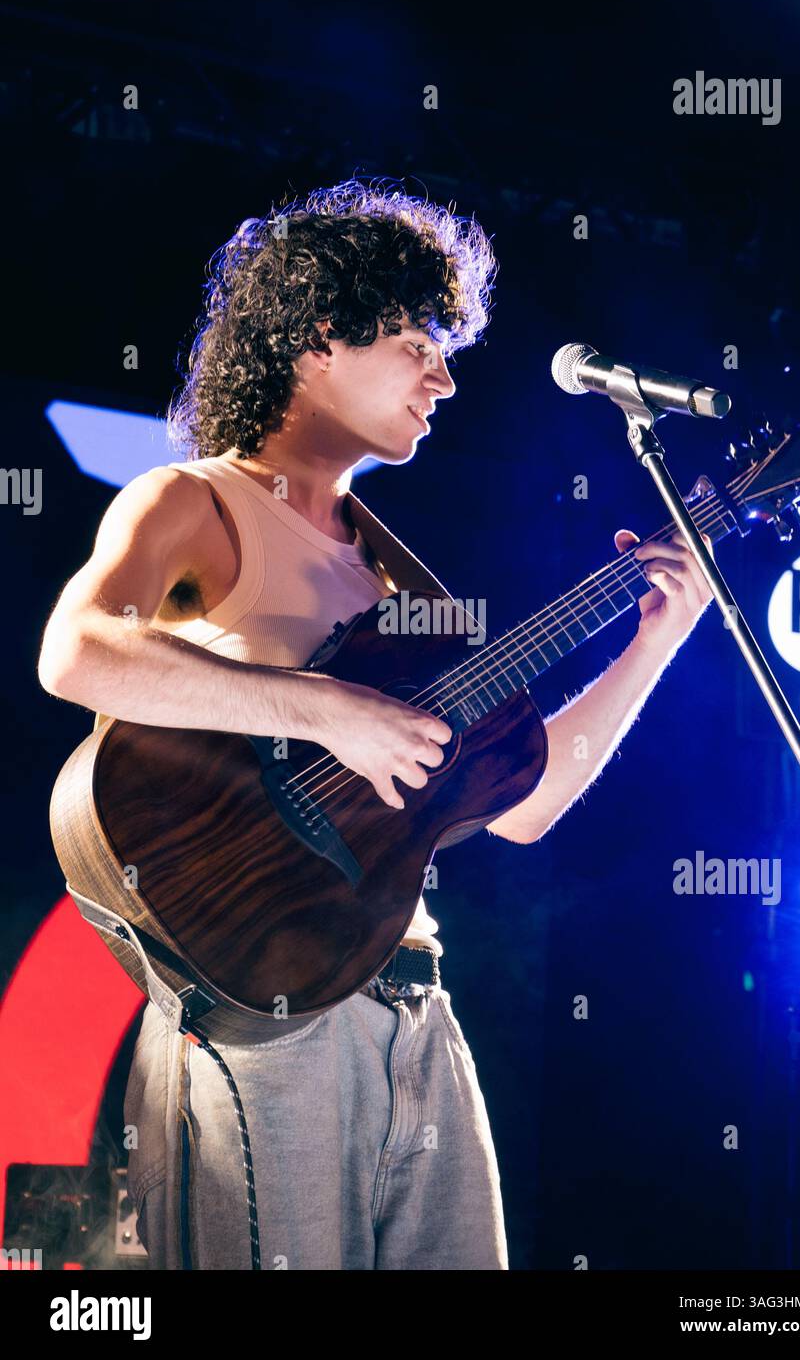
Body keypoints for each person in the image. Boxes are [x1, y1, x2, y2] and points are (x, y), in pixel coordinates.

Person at [37, 178, 713, 1269]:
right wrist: (324, 707)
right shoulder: (195, 501)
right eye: (415, 343)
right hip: (265, 1017)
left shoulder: (402, 578)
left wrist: (655, 640)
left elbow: (526, 805)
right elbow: (76, 650)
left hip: (415, 1010)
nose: (444, 380)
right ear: (318, 343)